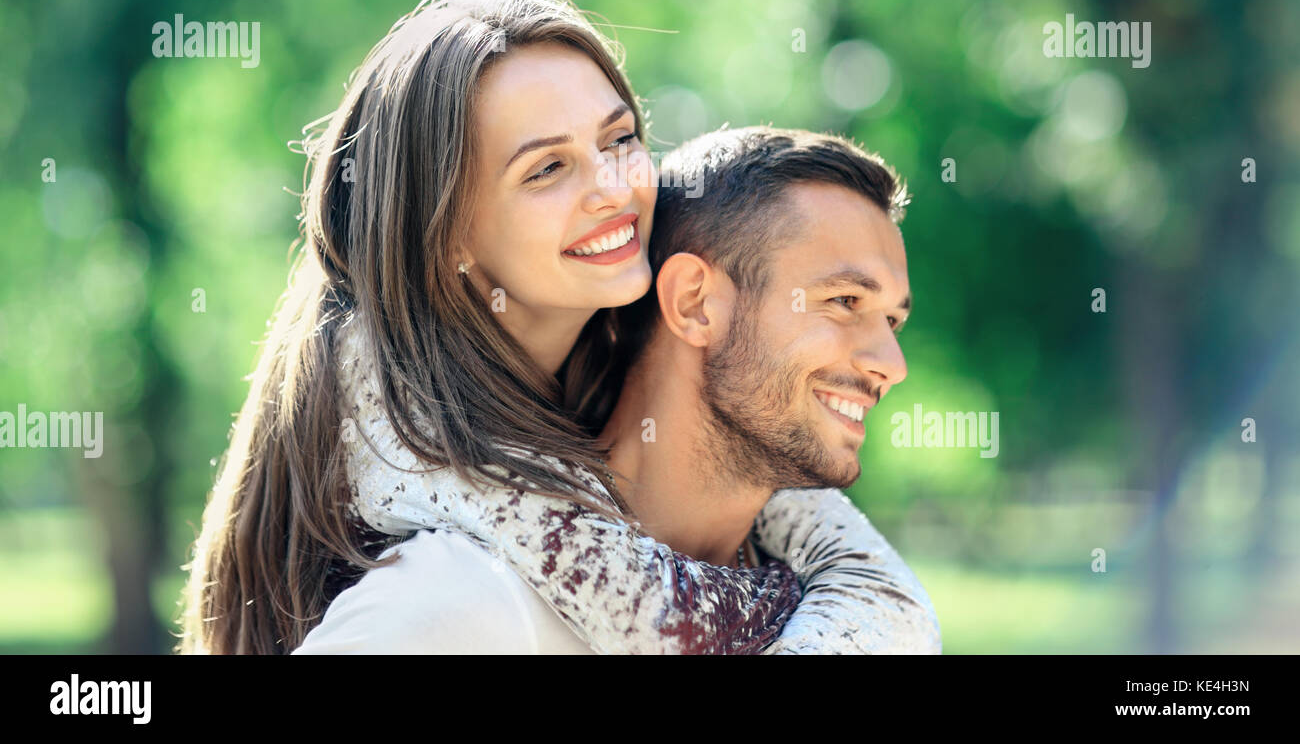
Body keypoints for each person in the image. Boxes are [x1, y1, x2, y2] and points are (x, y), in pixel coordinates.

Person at [295, 126, 940, 654]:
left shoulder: (838, 615)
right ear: (694, 303)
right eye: (844, 300)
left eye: (892, 320)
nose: (892, 363)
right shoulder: (461, 607)